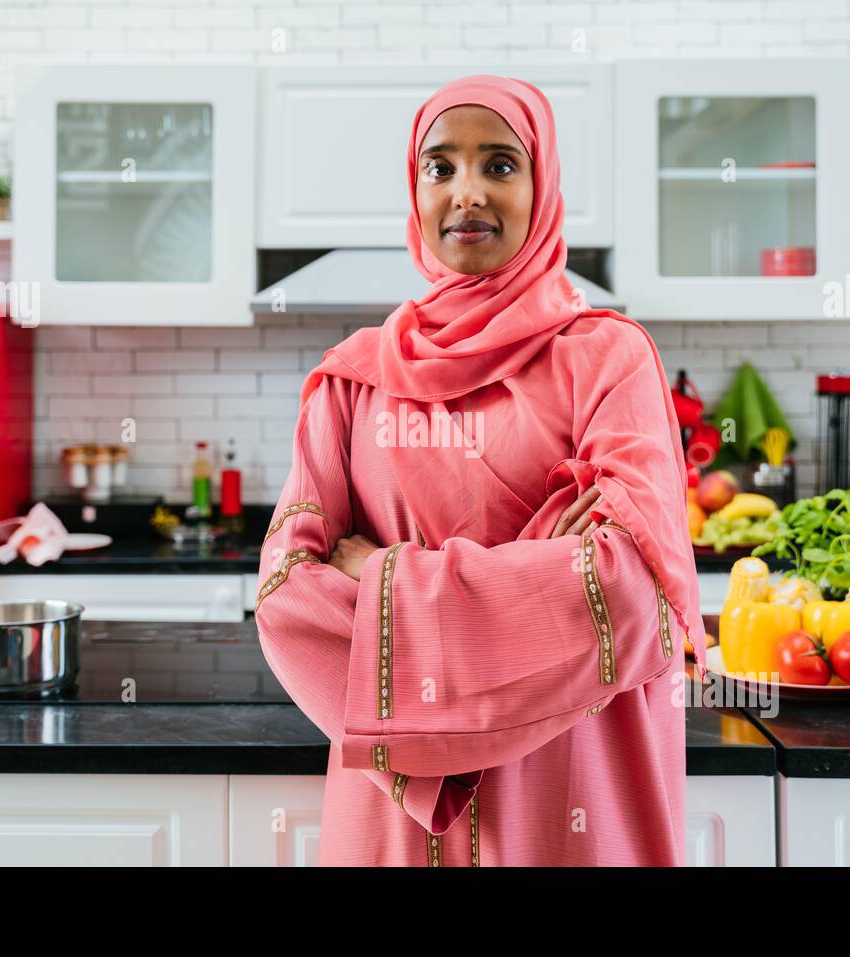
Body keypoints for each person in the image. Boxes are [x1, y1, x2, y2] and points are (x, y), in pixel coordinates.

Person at [254, 74, 705, 867]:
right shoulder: (353, 380)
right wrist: (542, 570)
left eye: (500, 164)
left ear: (543, 184)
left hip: (576, 793)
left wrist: (387, 575)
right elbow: (287, 599)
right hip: (399, 819)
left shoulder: (608, 359)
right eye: (441, 167)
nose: (467, 193)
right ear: (415, 187)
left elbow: (634, 596)